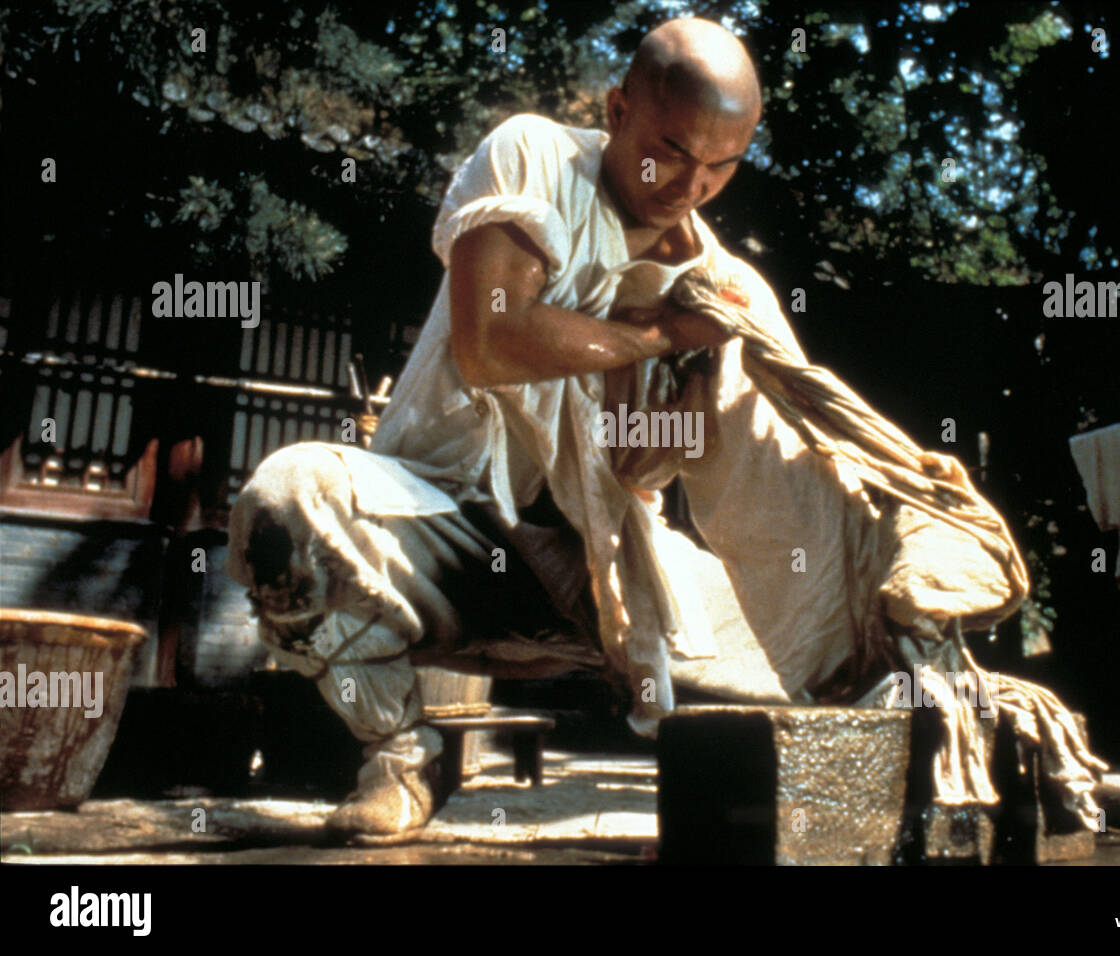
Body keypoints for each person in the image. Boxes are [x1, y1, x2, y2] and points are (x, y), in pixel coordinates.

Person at [228, 17, 1063, 837]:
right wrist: (659, 334)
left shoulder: (718, 284)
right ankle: (402, 755)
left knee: (846, 665)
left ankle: (1018, 758)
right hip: (434, 525)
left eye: (719, 167)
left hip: (603, 577)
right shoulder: (536, 157)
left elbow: (664, 465)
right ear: (616, 109)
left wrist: (701, 378)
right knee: (286, 499)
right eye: (669, 151)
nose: (686, 185)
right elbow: (490, 341)